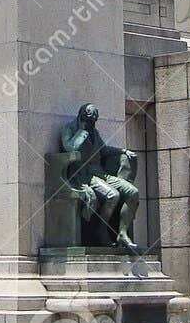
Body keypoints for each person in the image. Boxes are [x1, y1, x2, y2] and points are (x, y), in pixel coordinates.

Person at [60, 104, 140, 254]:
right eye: (90, 121)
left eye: (95, 121)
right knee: (113, 195)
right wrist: (82, 131)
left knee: (133, 192)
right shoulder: (70, 129)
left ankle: (122, 233)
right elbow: (70, 148)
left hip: (101, 174)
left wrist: (124, 151)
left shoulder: (94, 132)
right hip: (85, 176)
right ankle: (101, 230)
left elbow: (104, 150)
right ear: (82, 118)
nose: (93, 124)